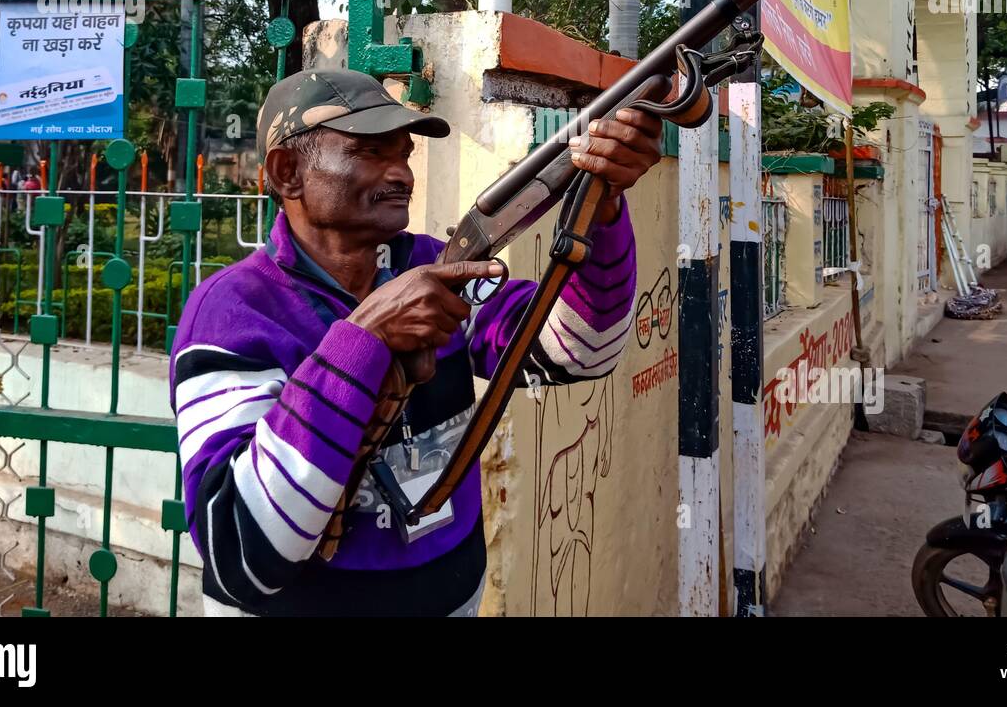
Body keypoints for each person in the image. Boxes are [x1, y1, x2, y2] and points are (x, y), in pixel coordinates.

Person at [169, 69, 662, 616]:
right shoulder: (232, 311)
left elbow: (581, 351)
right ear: (288, 173)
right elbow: (242, 554)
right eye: (370, 152)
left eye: (404, 154)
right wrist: (364, 339)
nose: (401, 173)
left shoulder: (433, 264)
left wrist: (605, 204)